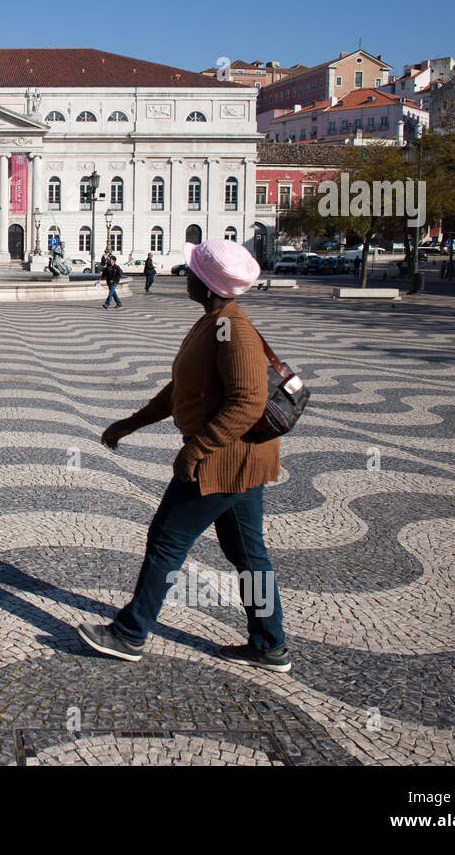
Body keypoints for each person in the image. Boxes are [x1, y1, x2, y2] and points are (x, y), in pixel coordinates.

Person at [81, 239, 290, 672]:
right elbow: (182, 390)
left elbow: (249, 401)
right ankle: (269, 644)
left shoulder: (234, 331)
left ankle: (129, 633)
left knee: (167, 541)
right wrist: (130, 423)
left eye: (192, 271)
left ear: (208, 283)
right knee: (249, 555)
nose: (186, 275)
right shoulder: (215, 322)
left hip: (225, 459)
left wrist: (197, 449)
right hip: (241, 460)